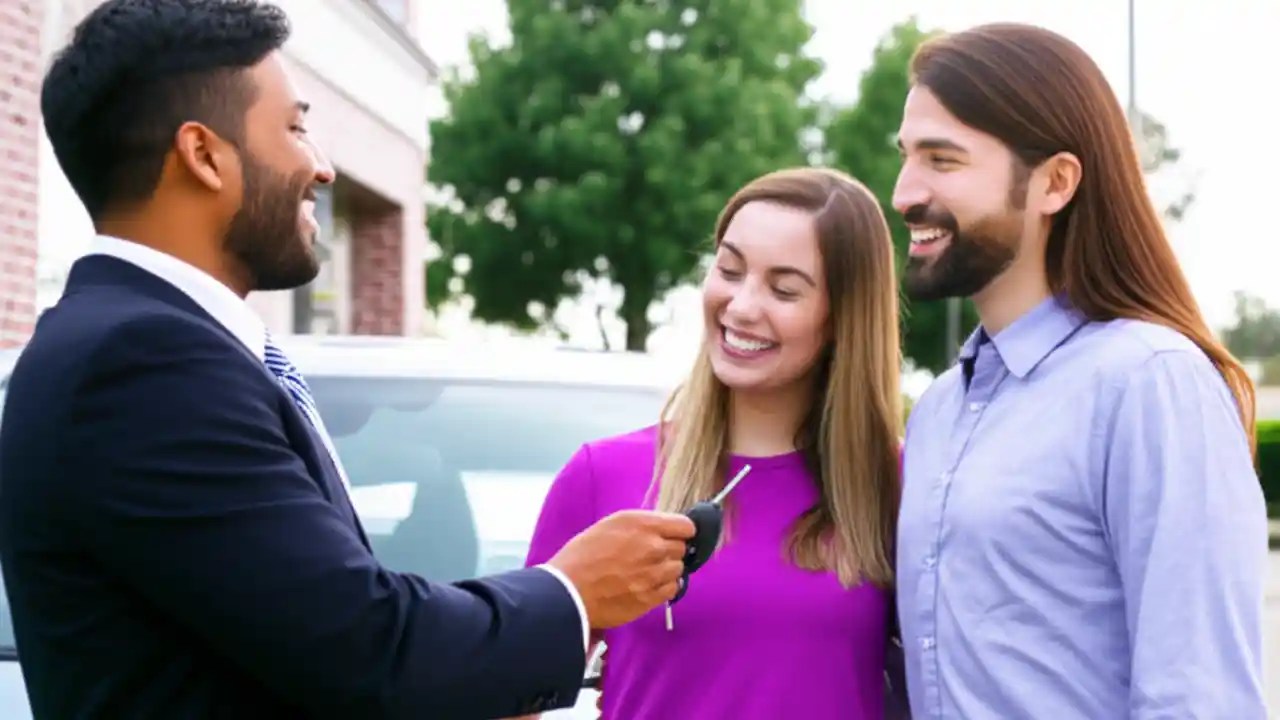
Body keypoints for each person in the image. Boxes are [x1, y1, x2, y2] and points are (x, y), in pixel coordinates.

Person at [0, 1, 694, 718]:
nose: (322, 167)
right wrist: (573, 591)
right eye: (296, 128)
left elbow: (295, 640)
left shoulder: (135, 349)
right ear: (204, 155)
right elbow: (364, 647)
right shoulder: (141, 366)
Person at [892, 22, 1269, 718]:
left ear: (1054, 183)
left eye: (942, 160)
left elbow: (1200, 698)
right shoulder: (942, 408)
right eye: (907, 156)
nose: (904, 193)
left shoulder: (1152, 384)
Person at [518, 167, 907, 719]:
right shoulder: (602, 476)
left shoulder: (901, 487)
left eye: (784, 288)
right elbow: (508, 697)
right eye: (729, 269)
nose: (742, 306)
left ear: (845, 318)